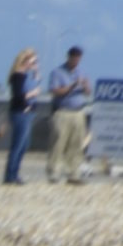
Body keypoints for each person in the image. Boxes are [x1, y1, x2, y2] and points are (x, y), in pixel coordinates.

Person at [46, 49, 92, 186]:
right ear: (69, 57)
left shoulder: (81, 72)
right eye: (74, 58)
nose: (76, 61)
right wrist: (71, 86)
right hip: (63, 111)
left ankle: (73, 173)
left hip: (78, 111)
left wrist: (85, 86)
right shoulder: (57, 73)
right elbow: (55, 91)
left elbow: (88, 92)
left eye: (78, 59)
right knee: (58, 142)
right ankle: (54, 173)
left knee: (76, 144)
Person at [4, 48, 39, 185]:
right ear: (25, 60)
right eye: (33, 61)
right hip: (19, 112)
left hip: (28, 112)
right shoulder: (18, 76)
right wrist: (32, 94)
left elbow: (35, 84)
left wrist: (36, 73)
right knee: (17, 145)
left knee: (24, 145)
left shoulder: (27, 76)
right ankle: (10, 175)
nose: (35, 63)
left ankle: (15, 173)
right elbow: (18, 95)